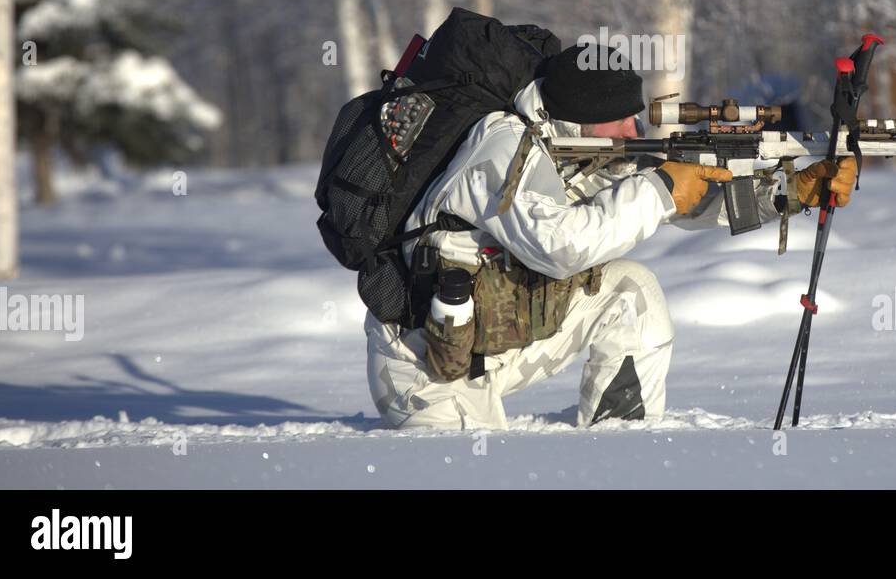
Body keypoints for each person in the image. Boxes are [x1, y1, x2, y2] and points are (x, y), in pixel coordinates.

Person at [365, 44, 857, 430]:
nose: (632, 126)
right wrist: (662, 186)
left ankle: (621, 446)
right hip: (428, 365)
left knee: (631, 291)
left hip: (502, 343)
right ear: (580, 113)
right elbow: (559, 247)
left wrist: (792, 189)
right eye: (620, 115)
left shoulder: (578, 141)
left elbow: (692, 200)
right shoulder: (500, 148)